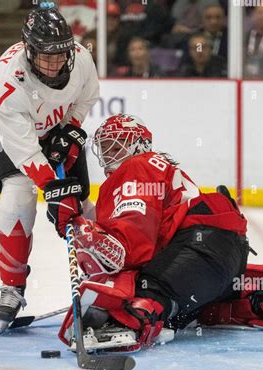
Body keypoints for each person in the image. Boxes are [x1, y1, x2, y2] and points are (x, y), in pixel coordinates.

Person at [58, 113, 251, 350]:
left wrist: (82, 231)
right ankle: (250, 300)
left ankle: (131, 320)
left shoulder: (137, 166)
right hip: (223, 255)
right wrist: (75, 217)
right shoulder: (153, 166)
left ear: (139, 143)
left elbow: (130, 250)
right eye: (105, 147)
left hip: (200, 250)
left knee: (139, 297)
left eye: (117, 144)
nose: (109, 153)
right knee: (176, 310)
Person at [0, 3, 99, 331]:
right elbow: (25, 154)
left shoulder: (80, 57)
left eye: (60, 54)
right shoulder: (7, 81)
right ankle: (12, 286)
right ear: (29, 50)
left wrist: (71, 129)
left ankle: (105, 274)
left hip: (54, 126)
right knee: (18, 193)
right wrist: (53, 190)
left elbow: (86, 96)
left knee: (80, 203)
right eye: (46, 56)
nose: (55, 64)